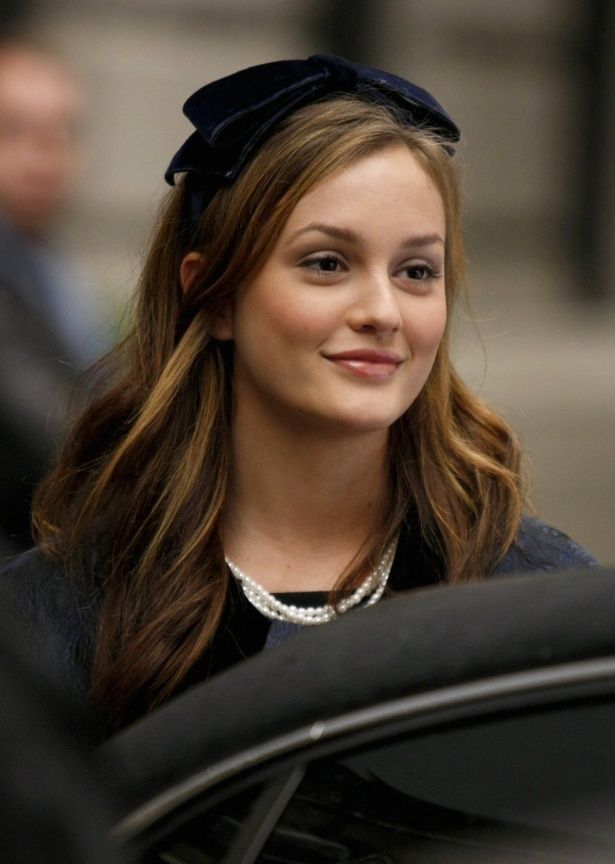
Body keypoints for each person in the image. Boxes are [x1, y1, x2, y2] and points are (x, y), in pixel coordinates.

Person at [0, 55, 596, 734]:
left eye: (415, 270)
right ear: (212, 293)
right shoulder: (57, 617)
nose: (383, 311)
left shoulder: (537, 597)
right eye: (327, 263)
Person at [0, 40, 106, 553]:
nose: (44, 153)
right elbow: (52, 433)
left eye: (62, 131)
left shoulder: (48, 262)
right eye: (15, 129)